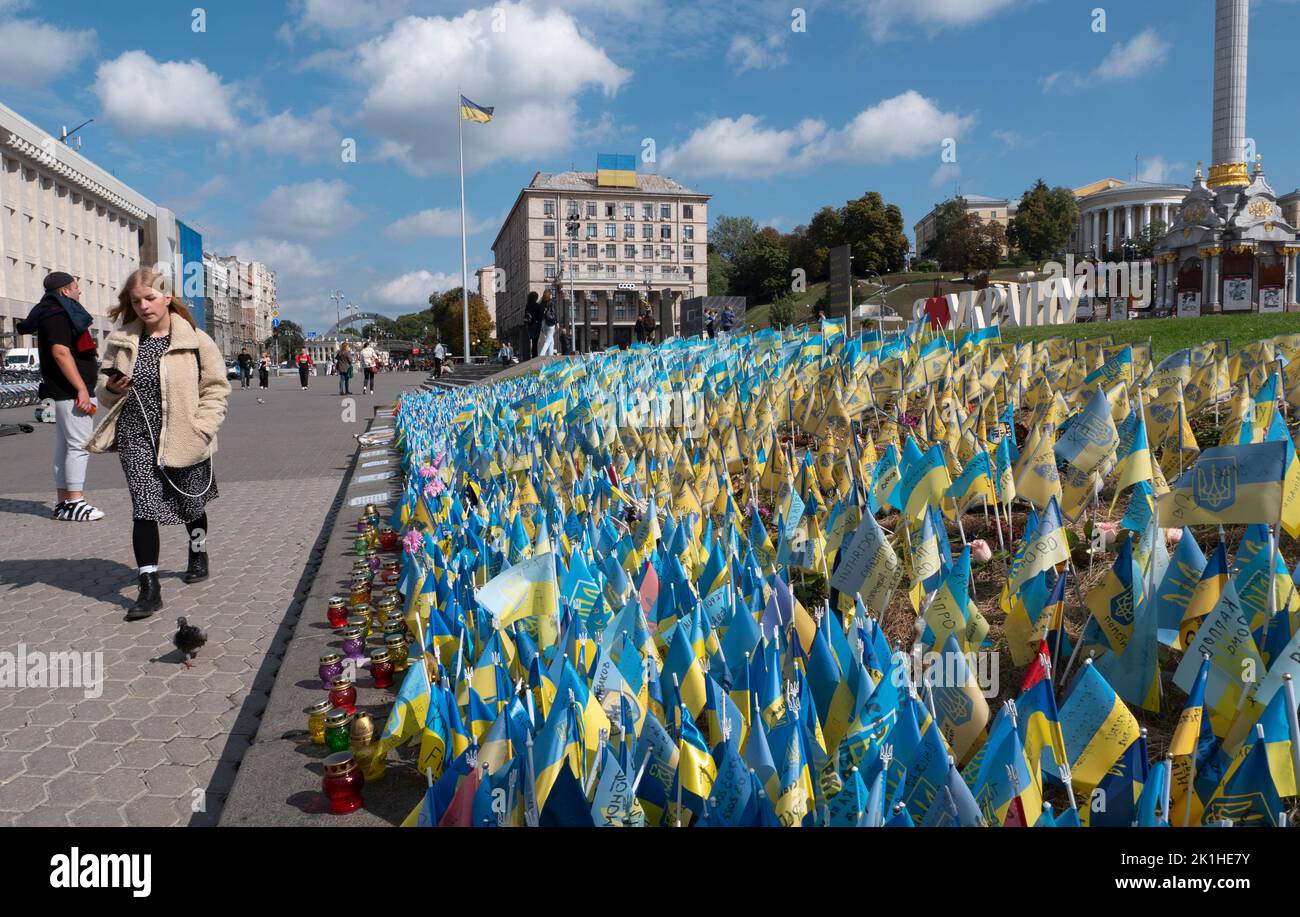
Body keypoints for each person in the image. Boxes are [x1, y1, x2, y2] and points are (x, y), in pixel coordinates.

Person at [88, 267, 230, 620]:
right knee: (144, 507)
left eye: (150, 298)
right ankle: (149, 587)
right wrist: (111, 389)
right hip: (136, 435)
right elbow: (103, 394)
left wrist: (203, 427)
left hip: (184, 433)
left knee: (191, 503)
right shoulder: (122, 341)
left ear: (167, 297)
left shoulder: (196, 340)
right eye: (136, 301)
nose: (143, 307)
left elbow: (216, 389)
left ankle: (197, 551)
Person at [17, 271, 105, 520]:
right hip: (70, 391)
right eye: (76, 287)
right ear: (65, 291)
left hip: (65, 390)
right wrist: (81, 388)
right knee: (79, 445)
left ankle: (64, 503)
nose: (80, 291)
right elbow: (60, 353)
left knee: (66, 445)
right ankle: (76, 501)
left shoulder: (52, 312)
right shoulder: (58, 314)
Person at [537, 290, 558, 356]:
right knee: (548, 340)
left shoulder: (541, 303)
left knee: (551, 340)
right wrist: (557, 322)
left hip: (543, 323)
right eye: (551, 294)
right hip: (550, 322)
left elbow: (539, 314)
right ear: (549, 295)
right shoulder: (551, 302)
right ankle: (541, 355)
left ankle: (550, 356)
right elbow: (553, 313)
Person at [524, 291, 542, 359]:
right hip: (536, 325)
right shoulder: (537, 306)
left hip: (529, 325)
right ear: (536, 298)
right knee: (535, 342)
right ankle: (535, 356)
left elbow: (525, 315)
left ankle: (530, 356)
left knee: (531, 341)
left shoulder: (527, 305)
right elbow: (540, 317)